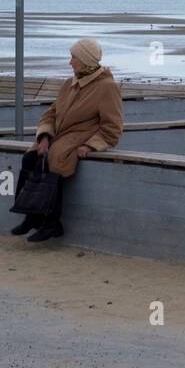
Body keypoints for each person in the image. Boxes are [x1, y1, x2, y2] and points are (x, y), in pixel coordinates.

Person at [11, 38, 124, 242]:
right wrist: (44, 137)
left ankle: (53, 222)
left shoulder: (108, 87)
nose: (70, 62)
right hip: (58, 136)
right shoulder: (69, 84)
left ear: (85, 60)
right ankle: (32, 216)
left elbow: (113, 127)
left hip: (77, 139)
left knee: (55, 161)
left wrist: (90, 145)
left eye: (73, 57)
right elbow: (51, 114)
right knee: (29, 159)